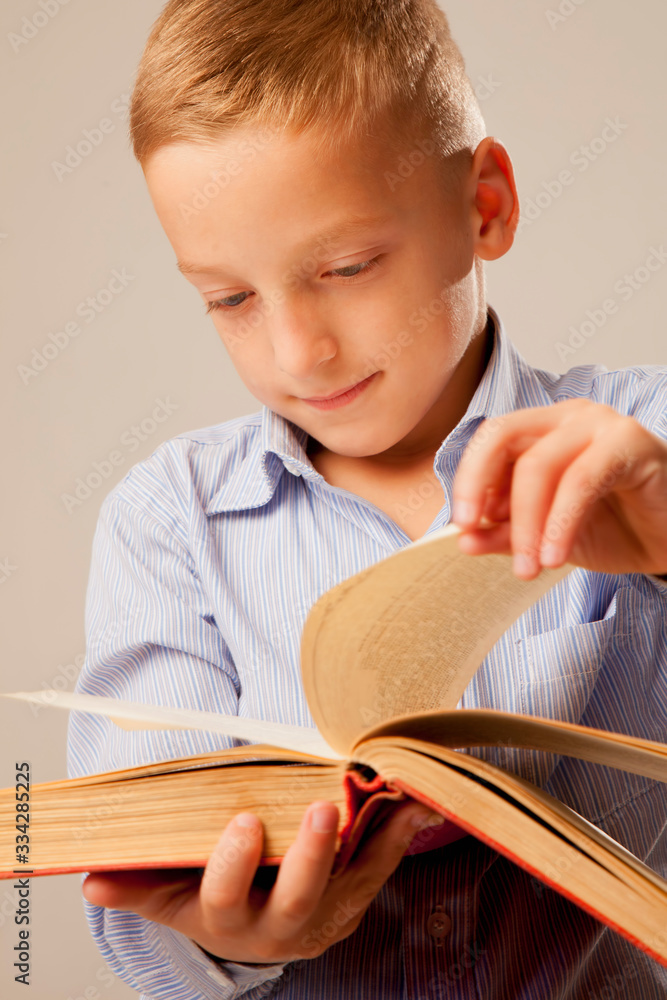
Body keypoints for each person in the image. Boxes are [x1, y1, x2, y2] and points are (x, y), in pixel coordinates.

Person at [66, 0, 667, 997]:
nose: (297, 352)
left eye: (346, 268)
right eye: (230, 298)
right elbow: (137, 891)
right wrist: (229, 933)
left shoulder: (642, 440)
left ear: (484, 207)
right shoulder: (169, 520)